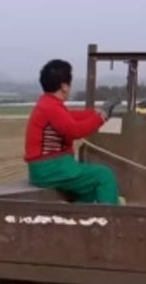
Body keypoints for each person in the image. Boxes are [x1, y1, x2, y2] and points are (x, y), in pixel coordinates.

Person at [23, 58, 122, 204]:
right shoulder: (51, 107)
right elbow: (74, 130)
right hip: (50, 168)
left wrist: (98, 112)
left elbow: (71, 117)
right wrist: (102, 117)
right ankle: (111, 221)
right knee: (104, 175)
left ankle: (81, 220)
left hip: (49, 167)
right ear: (64, 86)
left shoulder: (48, 104)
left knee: (88, 189)